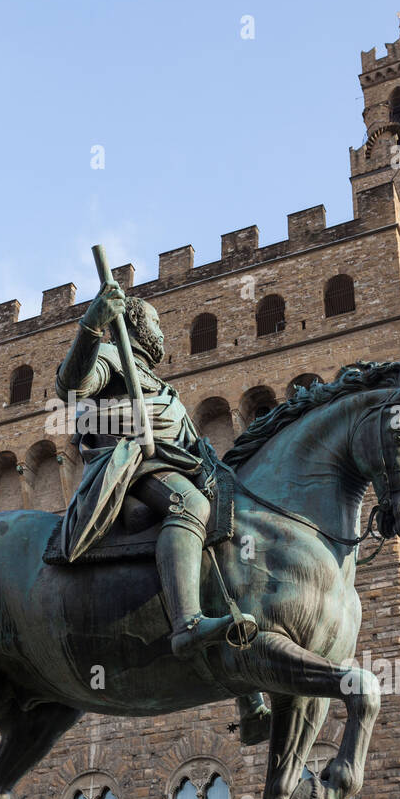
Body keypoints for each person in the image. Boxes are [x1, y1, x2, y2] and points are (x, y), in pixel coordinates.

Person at [56, 279, 256, 658]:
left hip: (172, 465)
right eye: (156, 322)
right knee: (190, 506)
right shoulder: (113, 358)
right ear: (133, 324)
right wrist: (91, 327)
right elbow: (71, 388)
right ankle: (187, 624)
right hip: (133, 467)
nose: (162, 332)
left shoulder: (163, 388)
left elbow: (192, 447)